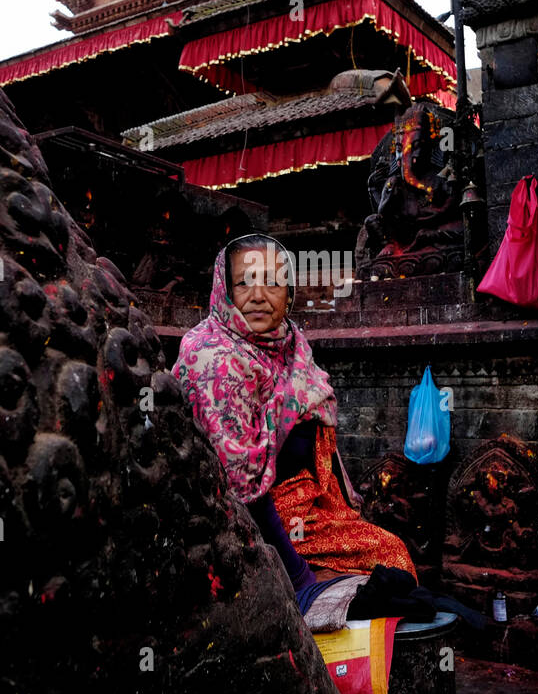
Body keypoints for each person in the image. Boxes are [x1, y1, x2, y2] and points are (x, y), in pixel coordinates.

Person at [172, 233, 416, 612]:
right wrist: (302, 579)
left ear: (289, 293)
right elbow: (240, 490)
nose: (258, 295)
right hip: (247, 527)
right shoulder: (212, 357)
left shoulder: (291, 347)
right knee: (384, 599)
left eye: (271, 281)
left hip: (308, 516)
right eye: (244, 282)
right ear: (224, 290)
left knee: (394, 559)